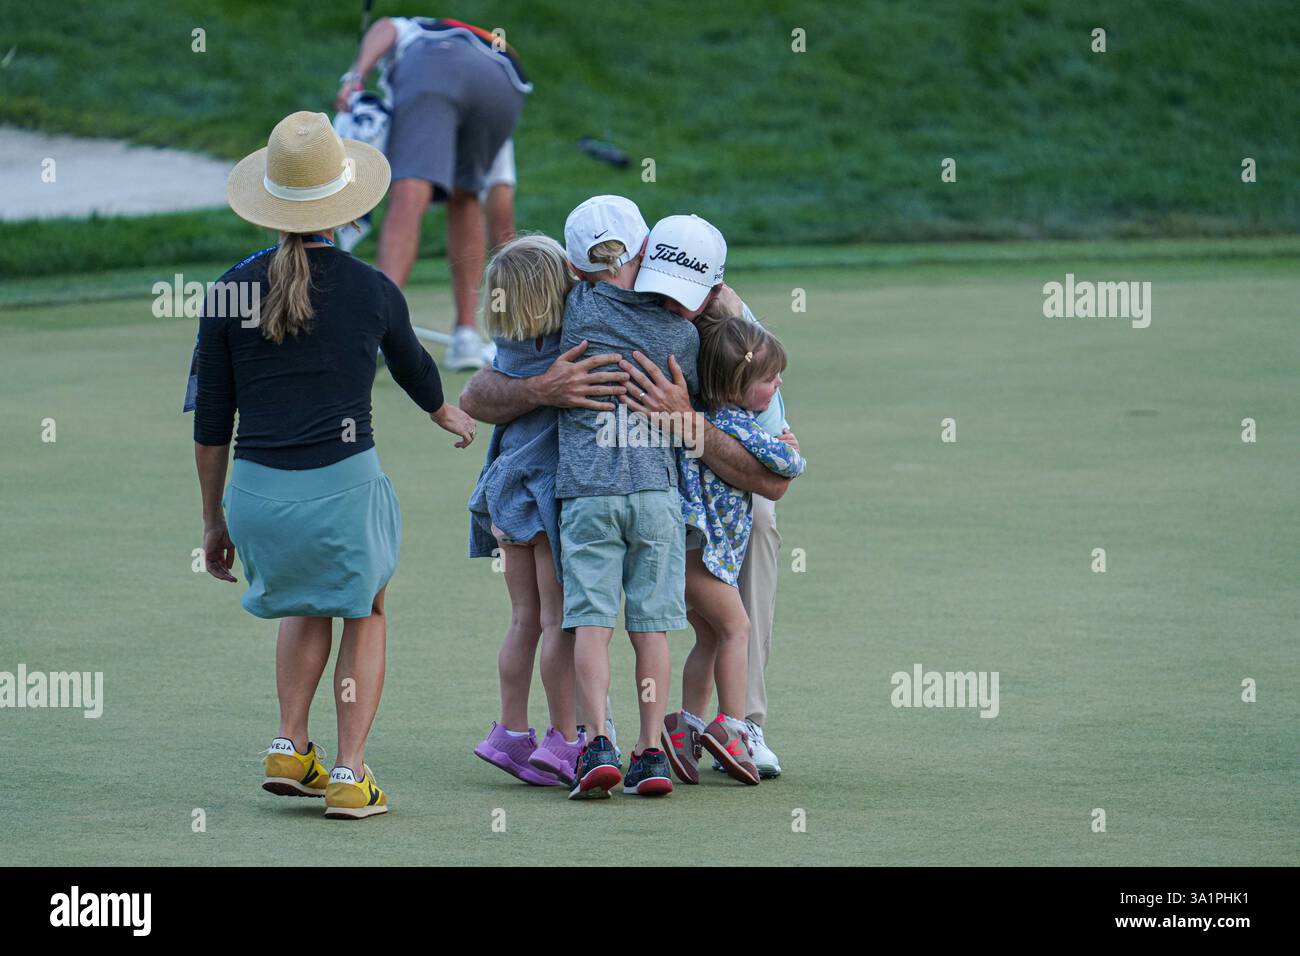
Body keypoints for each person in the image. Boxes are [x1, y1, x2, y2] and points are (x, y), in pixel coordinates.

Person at [192, 111, 475, 820]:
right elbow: (413, 366)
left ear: (269, 203)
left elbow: (210, 420)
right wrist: (445, 412)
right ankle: (350, 774)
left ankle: (290, 747)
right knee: (365, 608)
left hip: (257, 498)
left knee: (302, 599)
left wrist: (214, 519)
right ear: (345, 204)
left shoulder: (227, 291)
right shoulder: (373, 288)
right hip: (343, 491)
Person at [659, 310, 805, 786]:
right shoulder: (735, 425)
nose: (778, 383)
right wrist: (788, 445)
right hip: (701, 556)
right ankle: (733, 725)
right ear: (737, 386)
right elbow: (786, 463)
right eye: (768, 378)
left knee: (710, 637)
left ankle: (686, 727)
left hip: (689, 554)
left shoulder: (711, 419)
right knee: (737, 628)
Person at [336, 16, 531, 371]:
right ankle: (467, 338)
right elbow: (502, 215)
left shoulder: (415, 32)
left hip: (435, 64)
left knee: (411, 187)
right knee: (466, 195)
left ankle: (378, 330)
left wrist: (355, 76)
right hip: (508, 82)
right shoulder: (485, 55)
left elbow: (385, 27)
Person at [467, 234, 583, 786]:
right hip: (546, 499)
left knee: (524, 620)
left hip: (507, 495)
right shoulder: (571, 344)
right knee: (561, 621)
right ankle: (565, 738)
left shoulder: (510, 350)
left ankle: (511, 732)